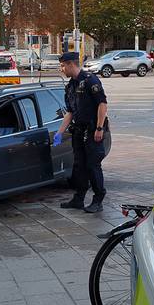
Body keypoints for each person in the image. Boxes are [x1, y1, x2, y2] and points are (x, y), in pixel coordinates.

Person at [55, 52, 108, 213]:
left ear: (71, 64)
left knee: (93, 166)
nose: (61, 69)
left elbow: (102, 104)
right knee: (79, 167)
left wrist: (99, 128)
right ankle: (79, 198)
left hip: (92, 131)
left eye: (63, 66)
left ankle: (98, 200)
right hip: (78, 131)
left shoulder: (90, 80)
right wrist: (59, 133)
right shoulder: (70, 86)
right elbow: (70, 112)